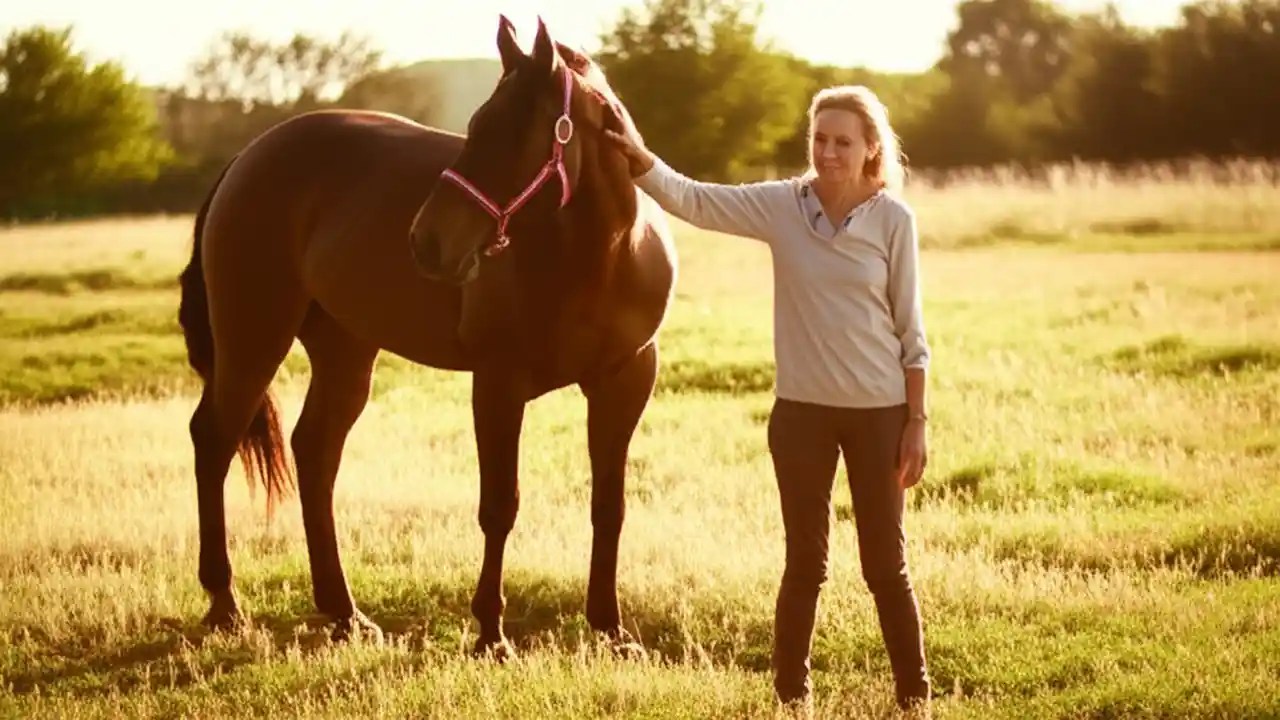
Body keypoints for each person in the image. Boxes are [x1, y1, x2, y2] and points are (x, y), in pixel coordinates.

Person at [604, 85, 932, 712]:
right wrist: (640, 159)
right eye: (820, 139)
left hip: (881, 415)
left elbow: (912, 333)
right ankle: (791, 695)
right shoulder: (785, 206)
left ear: (870, 150)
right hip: (801, 416)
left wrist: (917, 420)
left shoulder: (894, 221)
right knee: (805, 564)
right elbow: (697, 201)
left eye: (843, 142)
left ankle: (915, 695)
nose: (829, 152)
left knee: (884, 566)